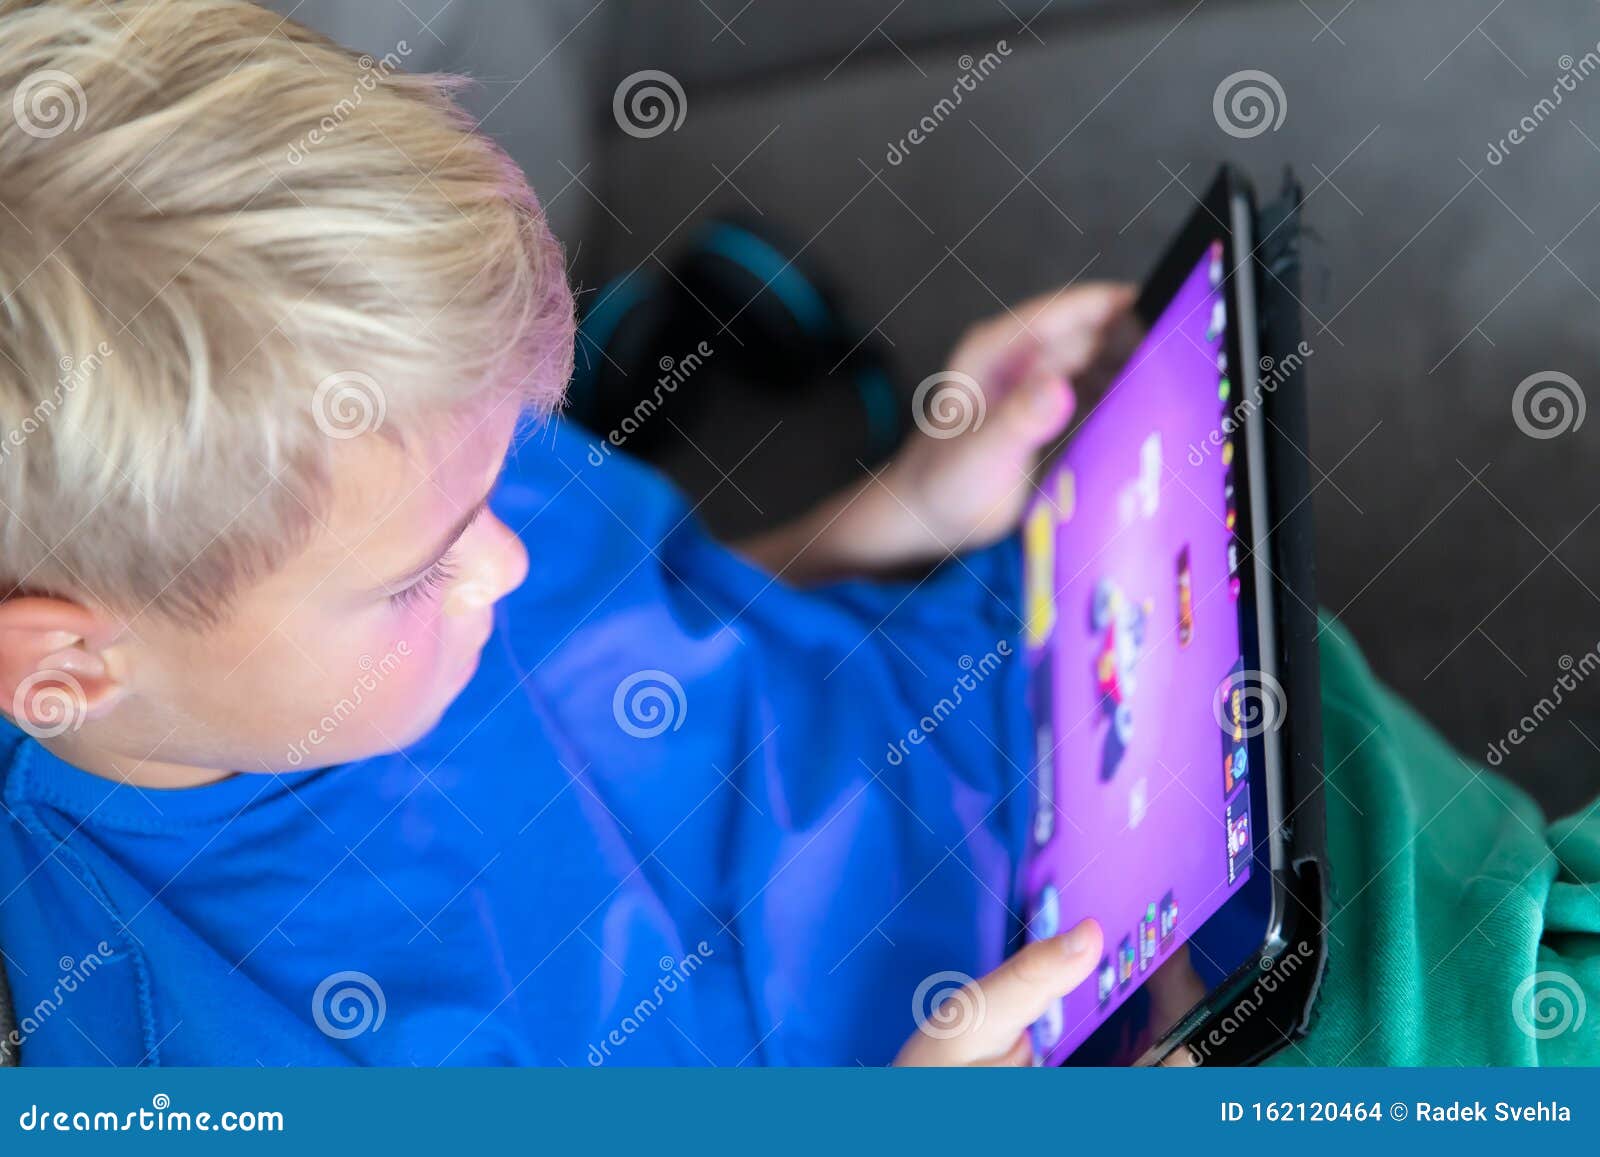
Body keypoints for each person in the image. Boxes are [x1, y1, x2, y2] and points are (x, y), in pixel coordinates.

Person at [0, 0, 1593, 1069]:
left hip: (1069, 709)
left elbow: (634, 649)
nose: (510, 557)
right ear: (66, 657)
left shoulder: (395, 467)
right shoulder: (194, 1042)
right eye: (421, 573)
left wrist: (909, 505)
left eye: (503, 488)